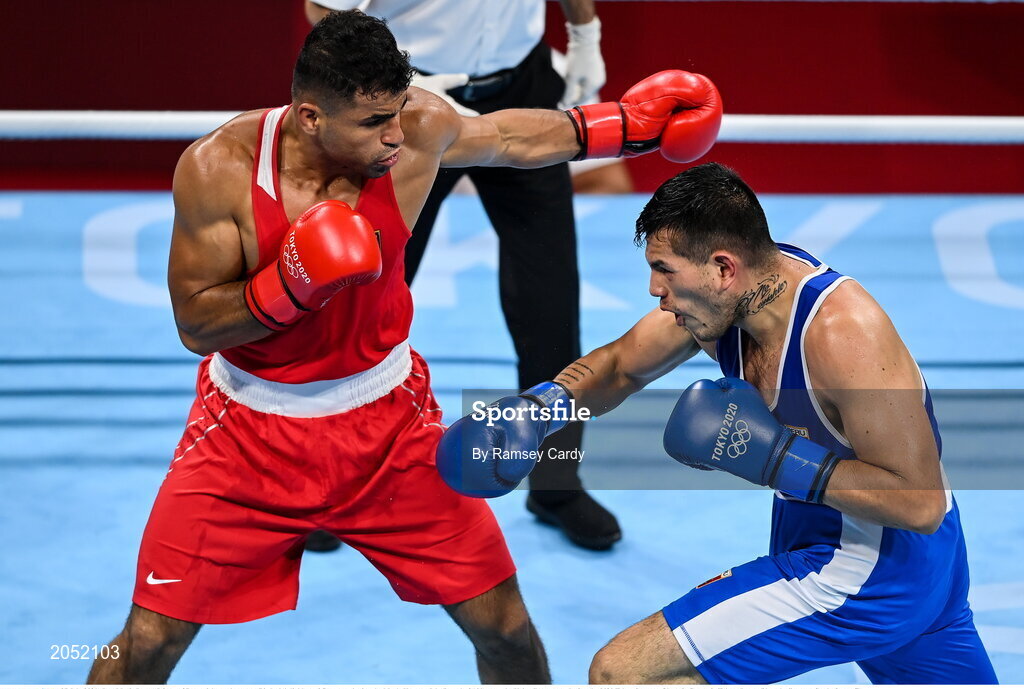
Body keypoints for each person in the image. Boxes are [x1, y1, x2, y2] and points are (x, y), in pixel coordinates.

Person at [85, 10, 722, 683]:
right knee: (148, 642)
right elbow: (195, 323)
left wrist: (628, 126)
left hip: (390, 429)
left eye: (397, 112)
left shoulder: (413, 126)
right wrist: (290, 287)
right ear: (309, 118)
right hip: (246, 436)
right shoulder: (220, 168)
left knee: (506, 629)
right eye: (371, 124)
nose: (395, 137)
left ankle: (557, 492)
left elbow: (506, 136)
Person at [437, 163, 997, 684]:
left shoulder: (844, 336)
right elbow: (623, 364)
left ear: (724, 267)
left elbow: (918, 504)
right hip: (883, 551)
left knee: (624, 672)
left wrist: (775, 457)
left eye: (664, 271)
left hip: (869, 570)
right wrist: (543, 409)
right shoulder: (725, 300)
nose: (655, 290)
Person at [305, 0, 626, 550]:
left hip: (522, 92)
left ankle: (556, 484)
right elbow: (323, 11)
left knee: (550, 307)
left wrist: (584, 34)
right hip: (405, 107)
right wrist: (396, 87)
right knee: (361, 307)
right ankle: (332, 486)